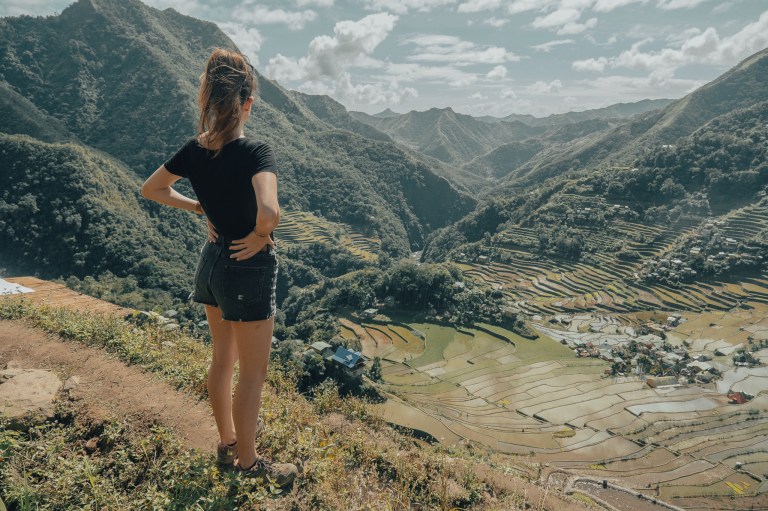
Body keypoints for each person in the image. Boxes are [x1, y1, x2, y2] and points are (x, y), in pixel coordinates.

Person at [140, 48, 297, 487]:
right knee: (253, 374)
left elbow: (151, 188)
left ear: (207, 100)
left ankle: (229, 442)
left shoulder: (194, 150)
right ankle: (249, 465)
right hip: (246, 269)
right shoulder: (256, 151)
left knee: (222, 360)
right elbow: (269, 211)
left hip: (210, 263)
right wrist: (263, 234)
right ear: (248, 103)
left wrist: (199, 207)